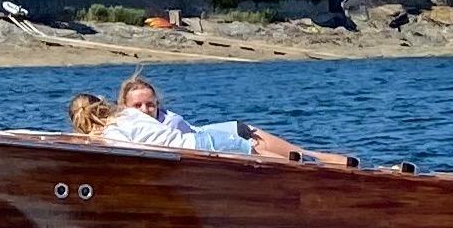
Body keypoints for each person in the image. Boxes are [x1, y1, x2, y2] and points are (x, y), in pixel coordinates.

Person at [101, 73, 354, 167]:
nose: (146, 109)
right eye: (139, 105)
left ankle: (349, 169)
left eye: (150, 104)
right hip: (220, 138)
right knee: (294, 157)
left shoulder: (165, 121)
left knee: (298, 154)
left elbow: (196, 134)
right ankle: (341, 168)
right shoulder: (136, 123)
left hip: (227, 135)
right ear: (126, 108)